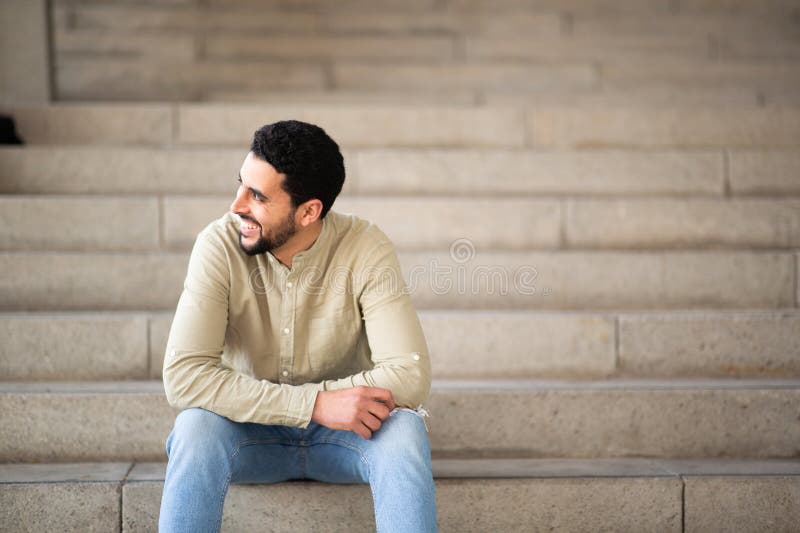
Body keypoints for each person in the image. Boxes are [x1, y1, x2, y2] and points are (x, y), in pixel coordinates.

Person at [158, 120, 437, 532]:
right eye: (240, 185)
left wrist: (329, 409)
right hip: (248, 435)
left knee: (405, 431)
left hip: (347, 437)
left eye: (257, 196)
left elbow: (409, 373)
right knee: (195, 428)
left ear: (309, 211)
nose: (236, 205)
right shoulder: (218, 244)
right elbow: (183, 376)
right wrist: (316, 405)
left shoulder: (365, 247)